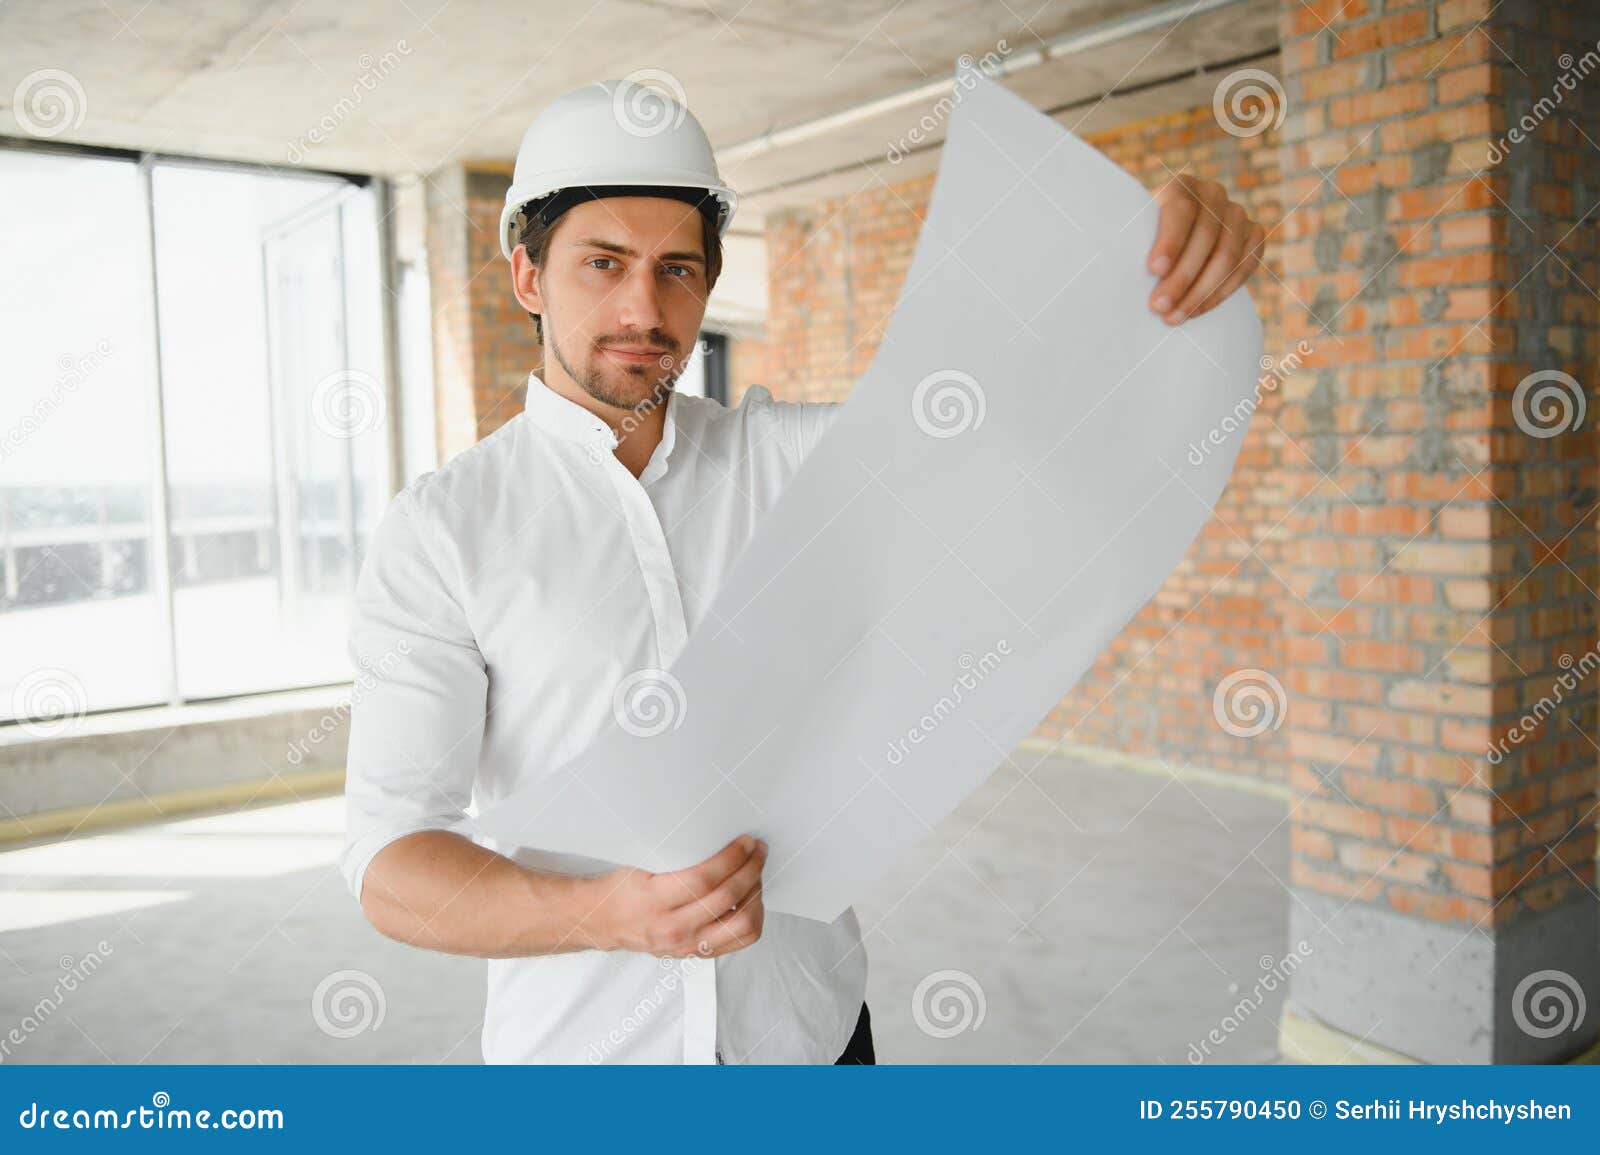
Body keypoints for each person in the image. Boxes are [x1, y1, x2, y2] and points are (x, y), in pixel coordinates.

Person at [339, 76, 1265, 1064]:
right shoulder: (444, 531)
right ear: (527, 276)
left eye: (678, 271)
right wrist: (607, 913)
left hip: (812, 1044)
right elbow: (390, 862)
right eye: (602, 264)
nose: (642, 308)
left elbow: (1044, 435)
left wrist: (1145, 262)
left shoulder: (792, 464)